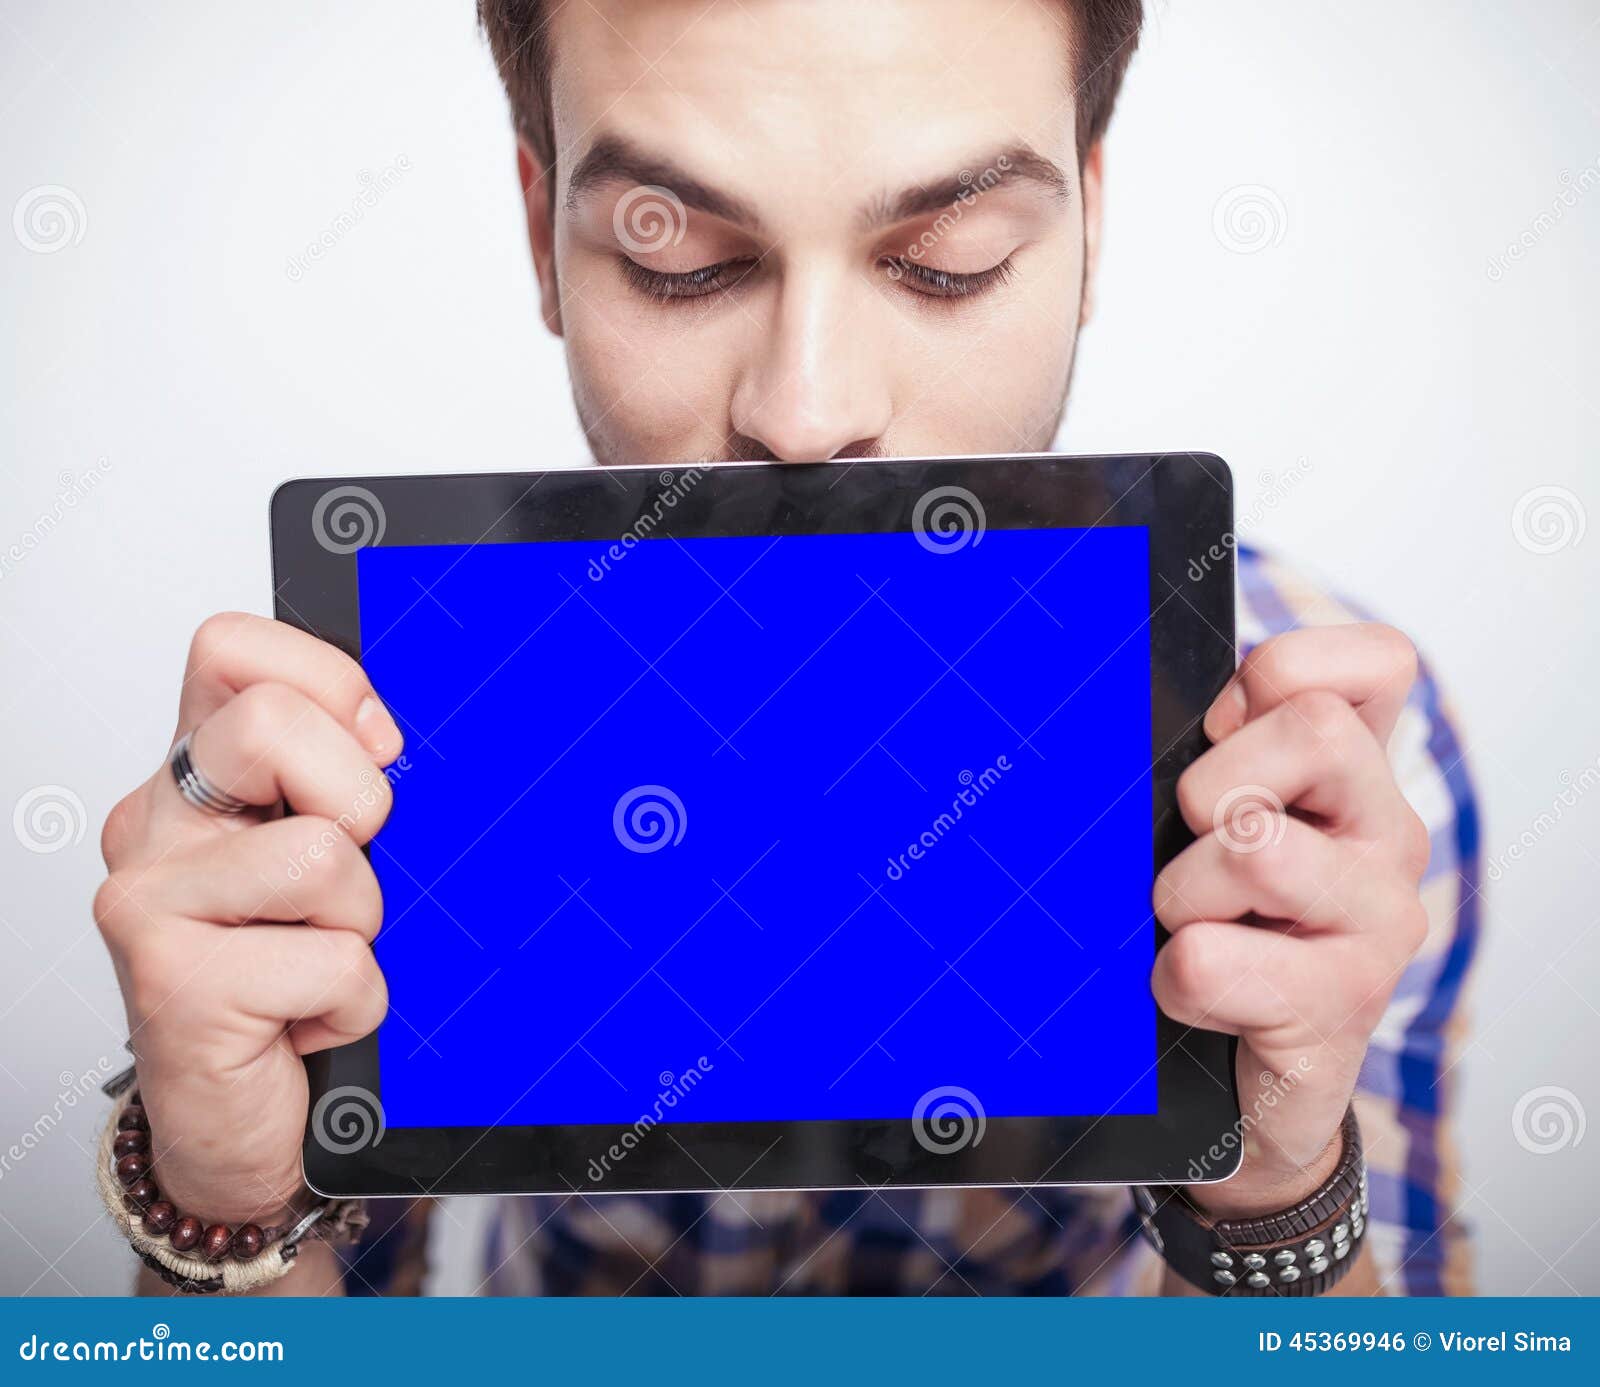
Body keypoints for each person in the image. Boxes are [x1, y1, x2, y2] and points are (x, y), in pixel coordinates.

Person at [93, 0, 1479, 1297]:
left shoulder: (1323, 767)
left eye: (950, 261)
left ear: (1090, 235)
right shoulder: (372, 731)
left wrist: (1282, 1197)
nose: (807, 414)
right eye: (675, 257)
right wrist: (228, 1196)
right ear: (541, 238)